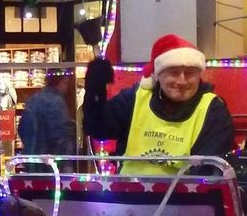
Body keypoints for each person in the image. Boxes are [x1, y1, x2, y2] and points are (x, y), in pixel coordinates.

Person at [83, 33, 234, 173]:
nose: (182, 81)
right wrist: (95, 90)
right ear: (158, 75)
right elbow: (97, 129)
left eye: (189, 73)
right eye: (174, 72)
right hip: (127, 194)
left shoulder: (213, 111)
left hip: (185, 199)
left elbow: (207, 174)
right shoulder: (135, 98)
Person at [18, 73, 75, 158]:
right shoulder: (57, 102)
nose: (66, 87)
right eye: (66, 83)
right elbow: (61, 134)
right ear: (61, 82)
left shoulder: (33, 99)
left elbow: (22, 128)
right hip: (51, 159)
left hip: (32, 156)